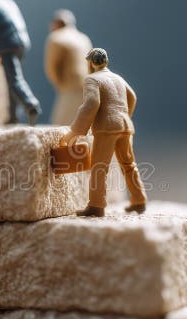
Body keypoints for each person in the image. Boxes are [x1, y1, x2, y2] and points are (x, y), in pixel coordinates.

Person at [61, 48, 147, 217]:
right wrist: (124, 116)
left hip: (107, 128)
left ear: (91, 63)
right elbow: (132, 97)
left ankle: (96, 205)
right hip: (125, 125)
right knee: (128, 165)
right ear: (105, 61)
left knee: (99, 167)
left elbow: (91, 103)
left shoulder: (92, 79)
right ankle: (139, 200)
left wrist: (76, 131)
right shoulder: (118, 78)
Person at [44, 9, 92, 125]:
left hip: (69, 87)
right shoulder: (83, 38)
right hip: (87, 86)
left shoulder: (56, 37)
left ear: (56, 23)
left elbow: (51, 68)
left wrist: (60, 84)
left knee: (61, 126)